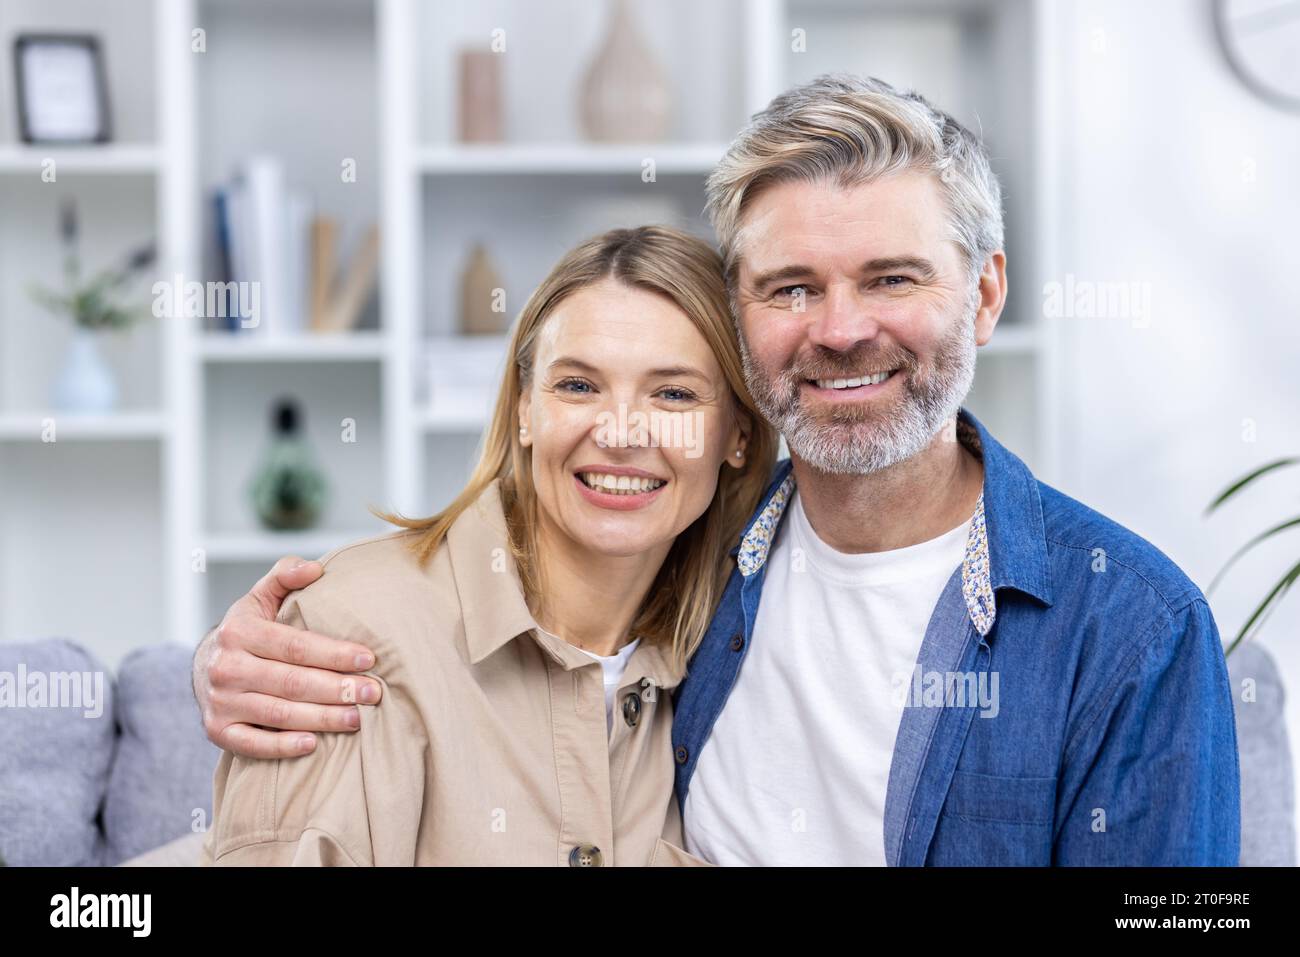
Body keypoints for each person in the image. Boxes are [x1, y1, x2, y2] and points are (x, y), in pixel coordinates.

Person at [195, 75, 1240, 866]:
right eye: (790, 287)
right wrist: (273, 641)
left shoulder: (1132, 631)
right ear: (744, 325)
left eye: (890, 277)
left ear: (982, 293)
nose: (839, 330)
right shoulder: (696, 578)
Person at [199, 225, 775, 865]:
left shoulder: (729, 654)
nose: (619, 432)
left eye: (673, 393)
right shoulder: (350, 638)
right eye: (579, 386)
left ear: (738, 437)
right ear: (525, 409)